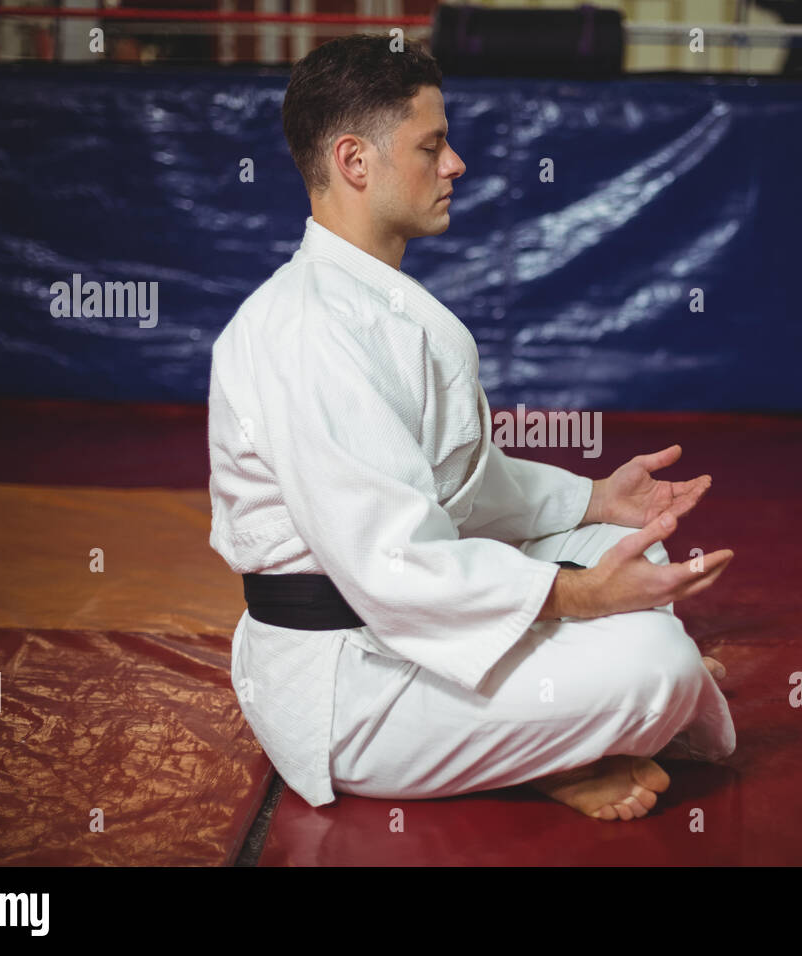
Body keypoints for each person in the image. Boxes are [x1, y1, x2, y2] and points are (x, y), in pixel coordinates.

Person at [207, 34, 736, 822]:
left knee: (635, 550)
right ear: (356, 162)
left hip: (404, 628)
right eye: (432, 145)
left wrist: (597, 500)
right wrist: (587, 598)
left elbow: (460, 484)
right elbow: (396, 564)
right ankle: (555, 751)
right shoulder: (306, 331)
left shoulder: (368, 301)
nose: (454, 164)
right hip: (348, 684)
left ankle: (562, 729)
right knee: (657, 664)